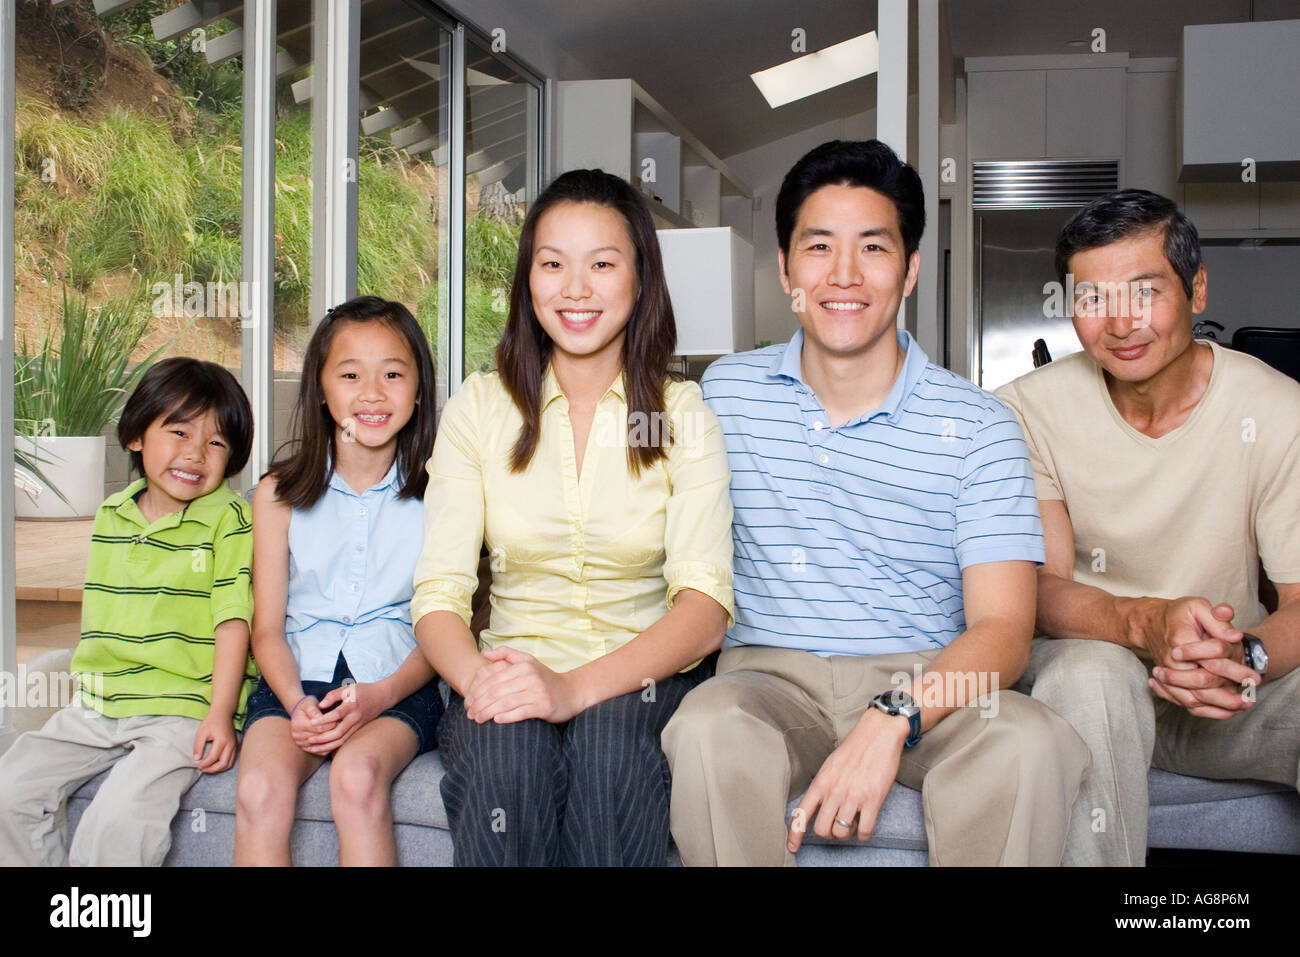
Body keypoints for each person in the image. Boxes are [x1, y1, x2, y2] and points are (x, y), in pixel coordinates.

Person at [662, 139, 1091, 867]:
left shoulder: (980, 424)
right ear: (787, 268)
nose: (844, 275)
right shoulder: (722, 394)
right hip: (767, 679)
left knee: (1031, 741)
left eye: (873, 247)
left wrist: (893, 716)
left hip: (927, 676)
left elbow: (1006, 626)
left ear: (910, 269)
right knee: (705, 726)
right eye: (819, 246)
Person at [413, 168, 734, 866]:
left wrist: (567, 690)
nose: (576, 287)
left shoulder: (683, 416)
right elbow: (438, 596)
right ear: (529, 279)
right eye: (553, 263)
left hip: (644, 679)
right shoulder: (478, 407)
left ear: (641, 278)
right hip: (507, 663)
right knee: (508, 762)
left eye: (603, 263)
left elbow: (704, 609)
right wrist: (484, 682)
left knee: (610, 756)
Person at [995, 189, 1300, 866]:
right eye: (1092, 298)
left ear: (1196, 289)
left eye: (1143, 291)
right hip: (1094, 674)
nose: (1120, 322)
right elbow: (1039, 586)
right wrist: (1148, 624)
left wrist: (1239, 658)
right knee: (1092, 675)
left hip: (1229, 688)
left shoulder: (1278, 409)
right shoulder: (1023, 411)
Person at [0, 357, 256, 866]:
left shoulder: (230, 520)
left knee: (117, 821)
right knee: (11, 791)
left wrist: (220, 715)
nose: (195, 454)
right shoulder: (111, 515)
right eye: (179, 432)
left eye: (216, 443)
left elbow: (234, 622)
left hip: (181, 710)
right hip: (97, 705)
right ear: (137, 436)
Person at [234, 296, 441, 866]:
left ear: (419, 388)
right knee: (258, 790)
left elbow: (444, 630)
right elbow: (267, 630)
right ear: (321, 390)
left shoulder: (442, 495)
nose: (372, 394)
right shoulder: (277, 494)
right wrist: (297, 702)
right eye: (350, 375)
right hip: (294, 679)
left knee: (355, 777)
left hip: (397, 683)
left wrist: (380, 697)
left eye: (393, 375)